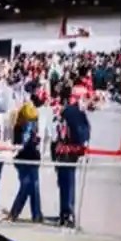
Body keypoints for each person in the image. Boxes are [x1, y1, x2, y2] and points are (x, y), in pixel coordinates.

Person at [51, 89, 90, 227]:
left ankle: (65, 213)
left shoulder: (67, 113)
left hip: (63, 152)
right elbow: (85, 131)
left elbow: (54, 138)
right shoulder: (78, 112)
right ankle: (68, 212)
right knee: (69, 183)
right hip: (72, 152)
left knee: (64, 184)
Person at [6, 99, 44, 223]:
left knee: (33, 186)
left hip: (30, 157)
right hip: (25, 158)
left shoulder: (29, 124)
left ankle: (36, 214)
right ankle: (16, 212)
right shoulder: (22, 126)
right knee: (28, 185)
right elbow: (20, 143)